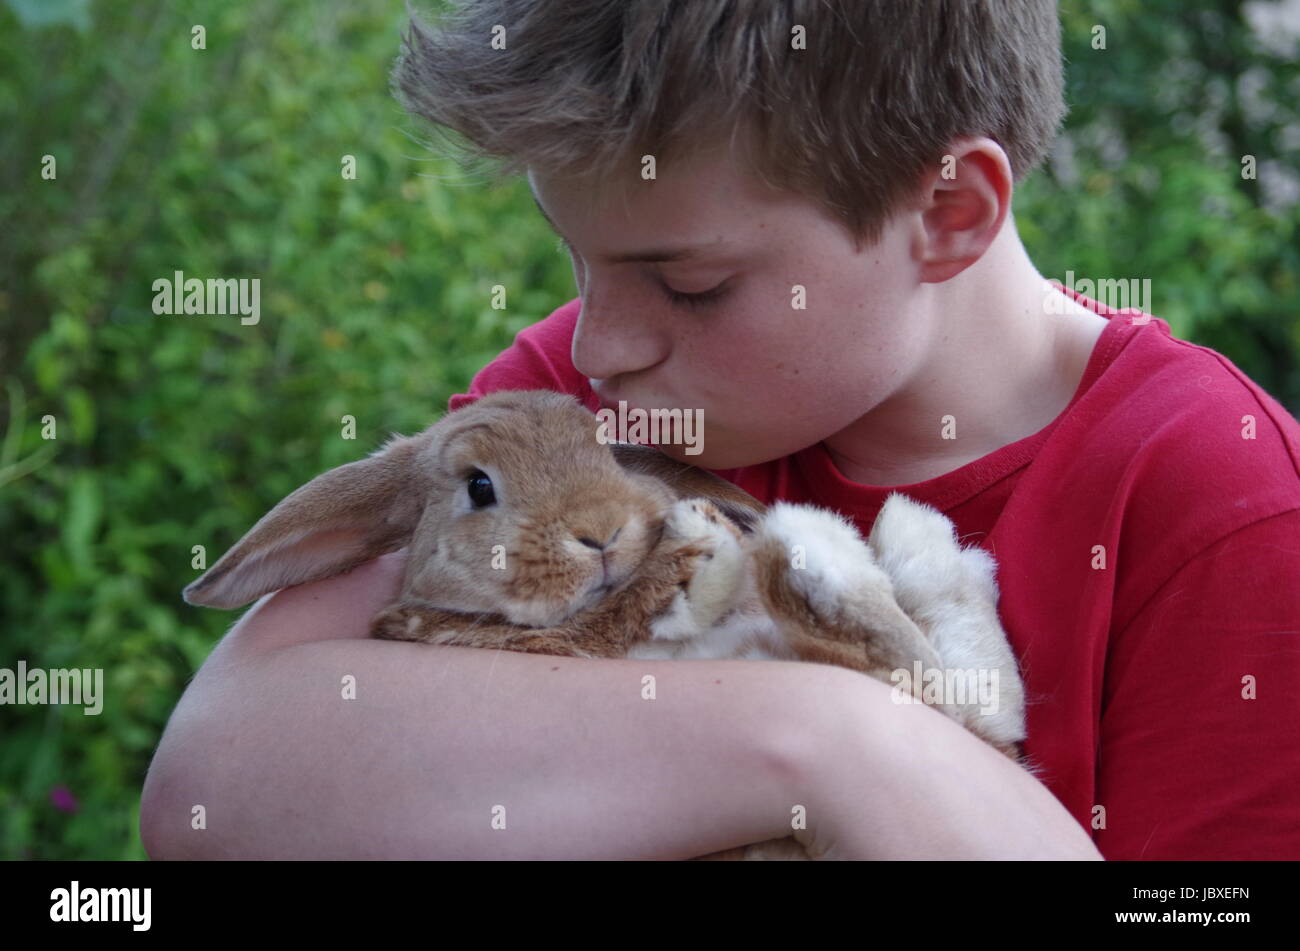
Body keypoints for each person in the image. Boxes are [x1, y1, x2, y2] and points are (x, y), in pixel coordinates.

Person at [140, 0, 1300, 860]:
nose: (599, 346)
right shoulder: (579, 424)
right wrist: (834, 737)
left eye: (688, 284)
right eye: (574, 259)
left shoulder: (1215, 504)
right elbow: (217, 780)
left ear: (946, 212)